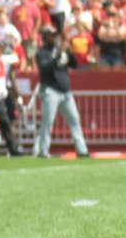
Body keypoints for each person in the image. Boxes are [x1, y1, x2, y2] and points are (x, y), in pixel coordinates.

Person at [33, 26, 90, 158]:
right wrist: (59, 54)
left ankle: (82, 150)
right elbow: (45, 67)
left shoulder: (61, 50)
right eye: (52, 36)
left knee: (75, 119)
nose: (55, 38)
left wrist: (70, 53)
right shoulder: (42, 52)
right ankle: (43, 151)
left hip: (65, 92)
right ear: (46, 37)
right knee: (48, 122)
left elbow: (74, 65)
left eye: (56, 36)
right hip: (51, 90)